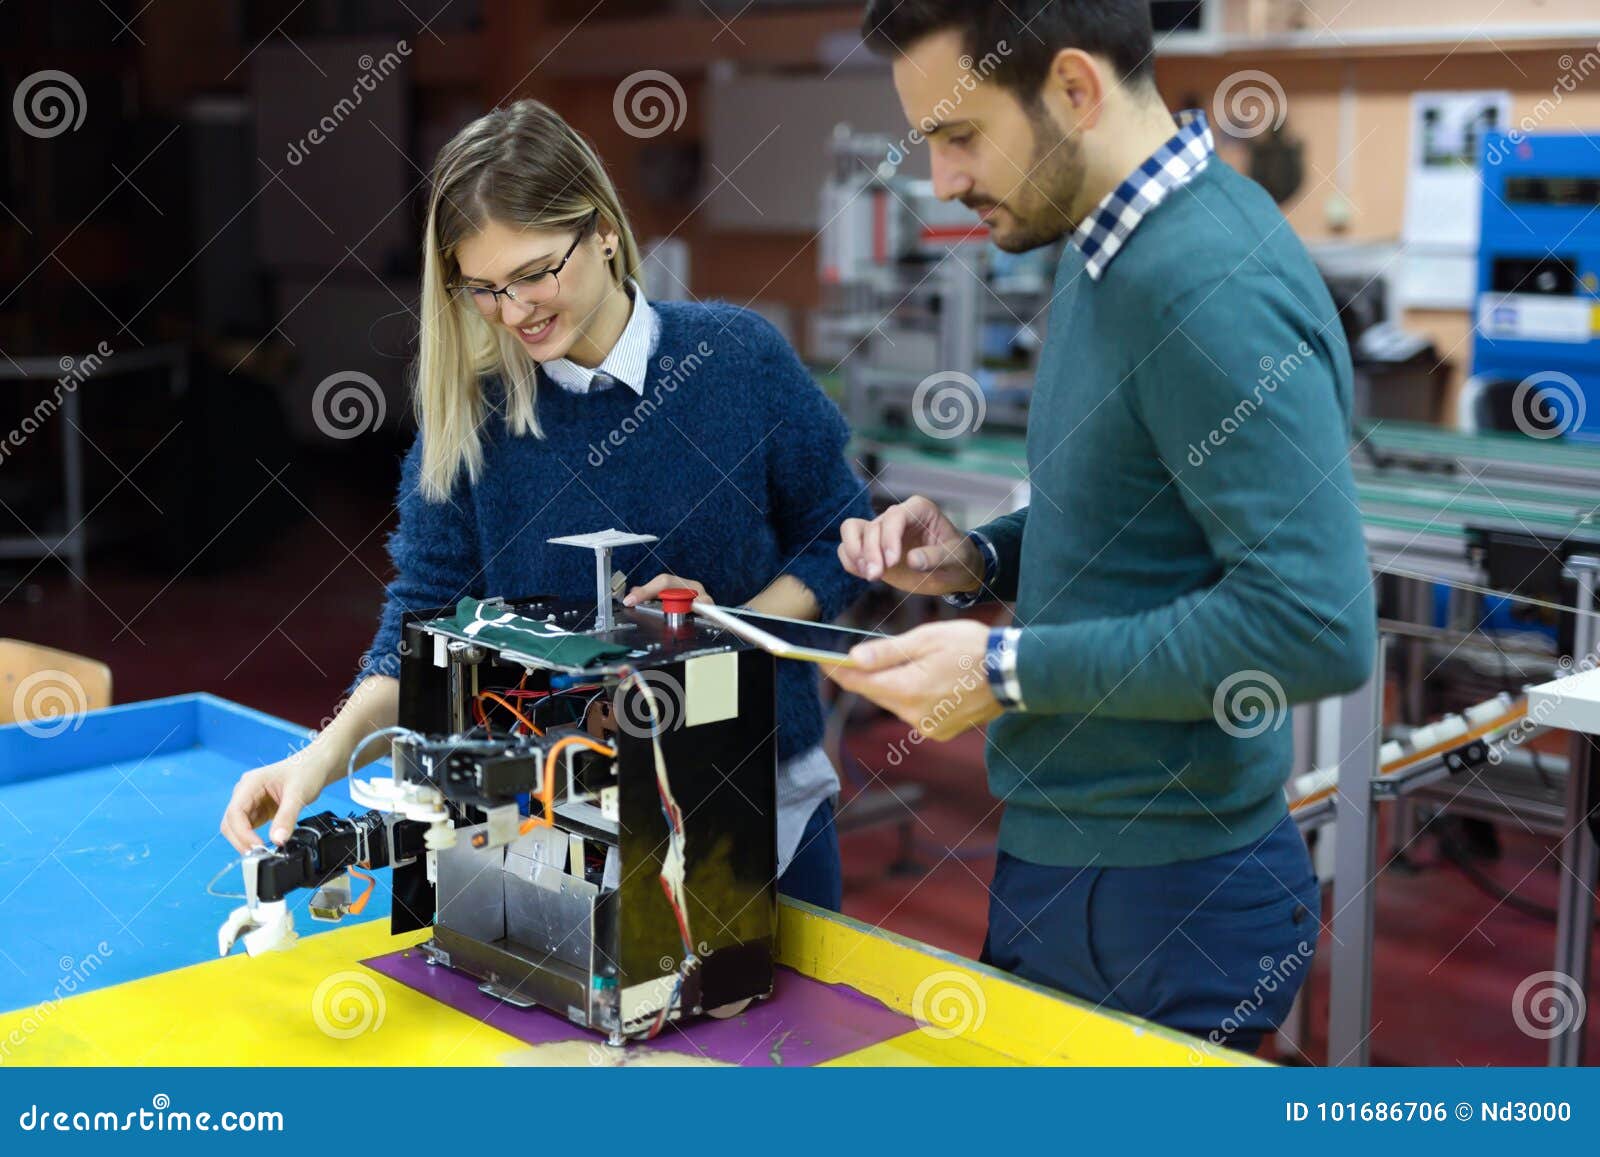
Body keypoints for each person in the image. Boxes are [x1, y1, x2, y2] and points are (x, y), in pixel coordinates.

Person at [831, 0, 1375, 1051]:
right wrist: (980, 559)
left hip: (1169, 891)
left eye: (958, 135)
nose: (941, 181)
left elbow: (1314, 624)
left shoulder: (1201, 278)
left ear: (1074, 91)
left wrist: (1001, 668)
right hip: (1075, 856)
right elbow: (1131, 511)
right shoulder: (1105, 251)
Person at [221, 99, 869, 910]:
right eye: (484, 288)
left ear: (600, 229)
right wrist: (319, 757)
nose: (516, 309)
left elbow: (836, 536)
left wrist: (718, 635)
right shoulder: (472, 418)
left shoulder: (737, 360)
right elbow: (416, 630)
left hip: (762, 814)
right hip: (555, 835)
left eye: (534, 273)